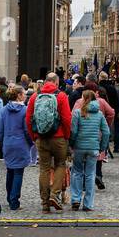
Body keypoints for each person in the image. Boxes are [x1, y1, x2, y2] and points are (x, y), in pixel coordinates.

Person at [26, 73, 73, 213]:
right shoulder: (61, 96)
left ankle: (45, 203)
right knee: (60, 164)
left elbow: (28, 119)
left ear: (45, 82)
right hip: (58, 138)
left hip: (41, 137)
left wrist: (34, 137)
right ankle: (54, 194)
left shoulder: (35, 96)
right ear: (57, 83)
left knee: (44, 169)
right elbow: (66, 119)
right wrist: (66, 136)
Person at [69, 90, 110, 211]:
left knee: (76, 172)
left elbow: (74, 131)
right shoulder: (99, 114)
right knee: (91, 174)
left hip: (79, 147)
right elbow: (106, 132)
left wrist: (72, 144)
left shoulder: (77, 112)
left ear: (83, 98)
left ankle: (76, 199)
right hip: (93, 147)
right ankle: (88, 204)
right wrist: (102, 147)